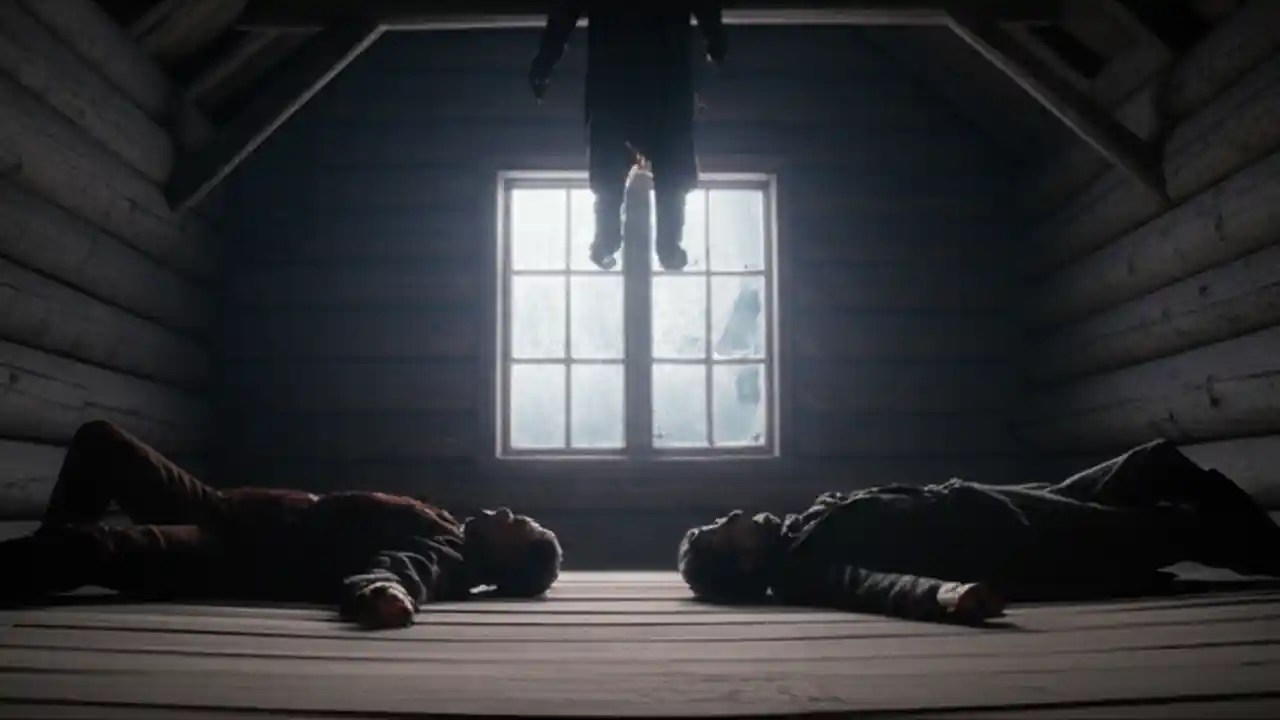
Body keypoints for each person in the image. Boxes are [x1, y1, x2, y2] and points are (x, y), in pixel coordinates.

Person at [0, 421, 562, 629]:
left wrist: (383, 591)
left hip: (235, 553)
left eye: (518, 524)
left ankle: (31, 564)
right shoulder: (450, 528)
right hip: (221, 508)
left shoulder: (450, 556)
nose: (506, 512)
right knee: (101, 443)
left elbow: (406, 571)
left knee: (97, 548)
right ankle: (40, 560)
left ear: (507, 560)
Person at [678, 439, 1280, 625]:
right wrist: (945, 596)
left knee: (1153, 462)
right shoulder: (805, 567)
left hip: (1017, 504)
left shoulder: (804, 525)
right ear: (748, 566)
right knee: (1175, 529)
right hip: (1032, 544)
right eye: (722, 534)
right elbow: (870, 586)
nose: (731, 518)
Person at [529, 2, 727, 271]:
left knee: (617, 172)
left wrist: (545, 60)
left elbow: (566, 11)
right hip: (660, 82)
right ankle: (650, 243)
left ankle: (615, 241)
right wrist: (716, 41)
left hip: (622, 82)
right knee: (663, 173)